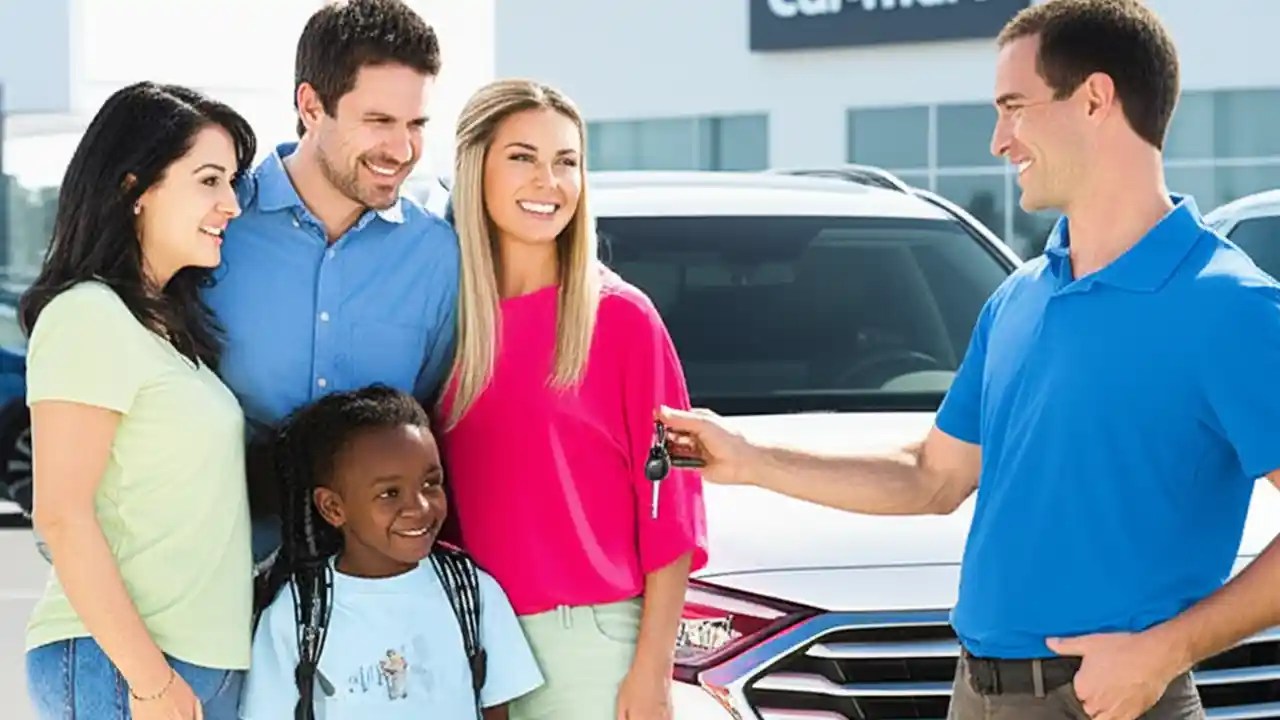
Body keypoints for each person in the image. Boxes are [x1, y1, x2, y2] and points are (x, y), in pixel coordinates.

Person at [660, 1, 1280, 719]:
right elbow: (932, 476)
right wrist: (750, 457)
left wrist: (1165, 651)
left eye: (1015, 107)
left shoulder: (1229, 306)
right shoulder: (1019, 300)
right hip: (974, 696)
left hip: (1112, 703)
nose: (997, 141)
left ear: (1095, 99)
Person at [435, 78, 709, 720]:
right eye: (523, 157)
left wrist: (652, 672)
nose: (548, 182)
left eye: (566, 161)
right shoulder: (448, 322)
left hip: (589, 651)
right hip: (463, 647)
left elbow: (673, 515)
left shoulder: (621, 320)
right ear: (476, 168)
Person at [20, 81, 257, 720]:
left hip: (186, 664)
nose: (231, 204)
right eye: (209, 180)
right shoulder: (87, 314)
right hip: (127, 664)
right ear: (134, 189)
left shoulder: (165, 330)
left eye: (232, 181)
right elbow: (62, 515)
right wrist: (150, 681)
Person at [200, 0, 460, 561]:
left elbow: (429, 418)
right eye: (379, 122)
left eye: (416, 124)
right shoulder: (218, 223)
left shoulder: (437, 258)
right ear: (311, 106)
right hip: (215, 586)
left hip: (361, 599)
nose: (402, 149)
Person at [238, 385, 543, 720]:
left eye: (430, 483)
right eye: (390, 493)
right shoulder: (297, 612)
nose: (420, 507)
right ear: (333, 508)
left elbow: (494, 709)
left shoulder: (471, 592)